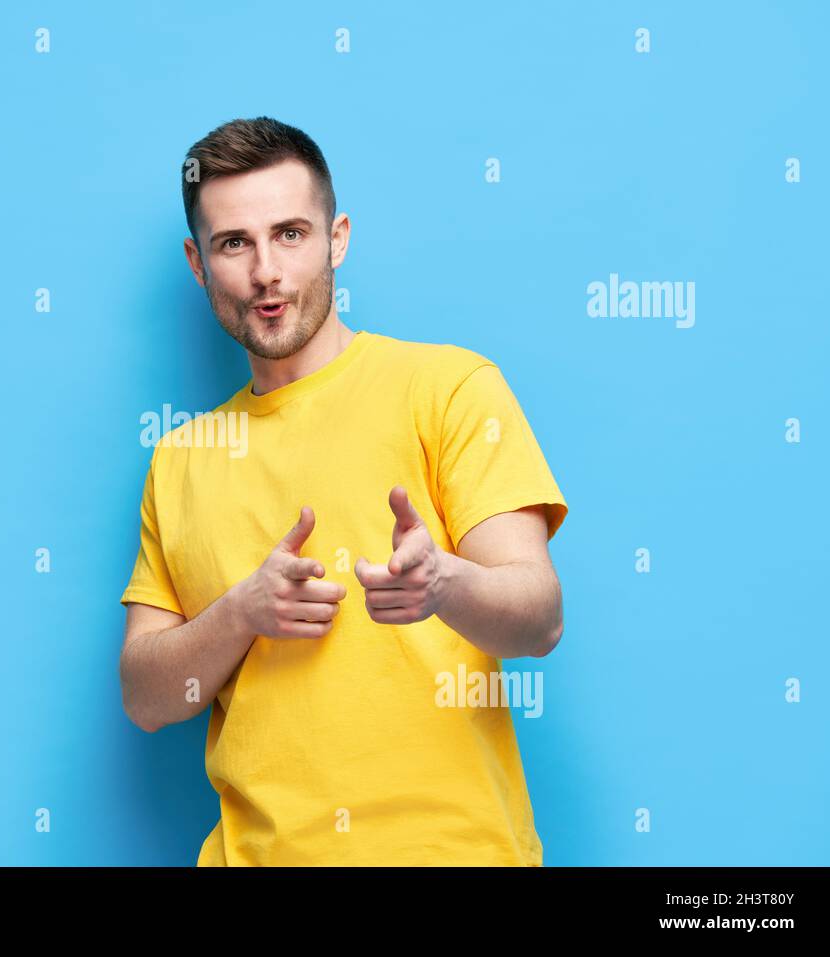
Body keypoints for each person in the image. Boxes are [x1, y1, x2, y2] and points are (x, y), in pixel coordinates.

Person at [118, 116, 569, 866]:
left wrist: (444, 585)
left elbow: (540, 619)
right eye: (235, 243)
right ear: (199, 263)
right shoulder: (180, 457)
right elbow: (145, 696)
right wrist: (243, 611)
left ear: (338, 238)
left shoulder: (450, 389)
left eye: (291, 233)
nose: (266, 270)